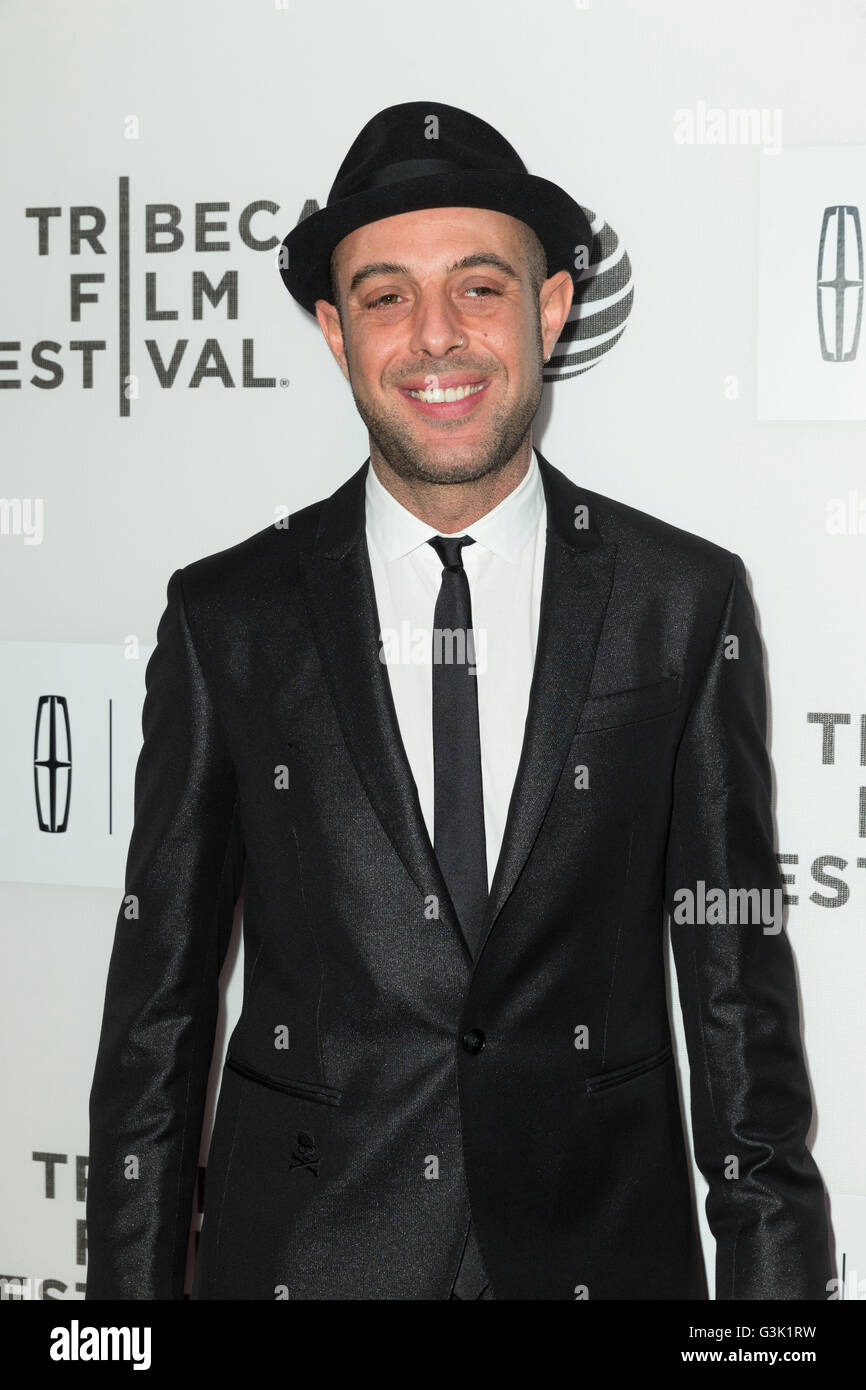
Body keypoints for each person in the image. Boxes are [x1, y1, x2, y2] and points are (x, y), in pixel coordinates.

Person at [85, 100, 831, 1300]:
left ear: (547, 310)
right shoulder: (227, 618)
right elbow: (153, 1027)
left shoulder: (681, 603)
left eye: (479, 288)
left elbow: (743, 1029)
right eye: (384, 297)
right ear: (335, 333)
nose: (435, 336)